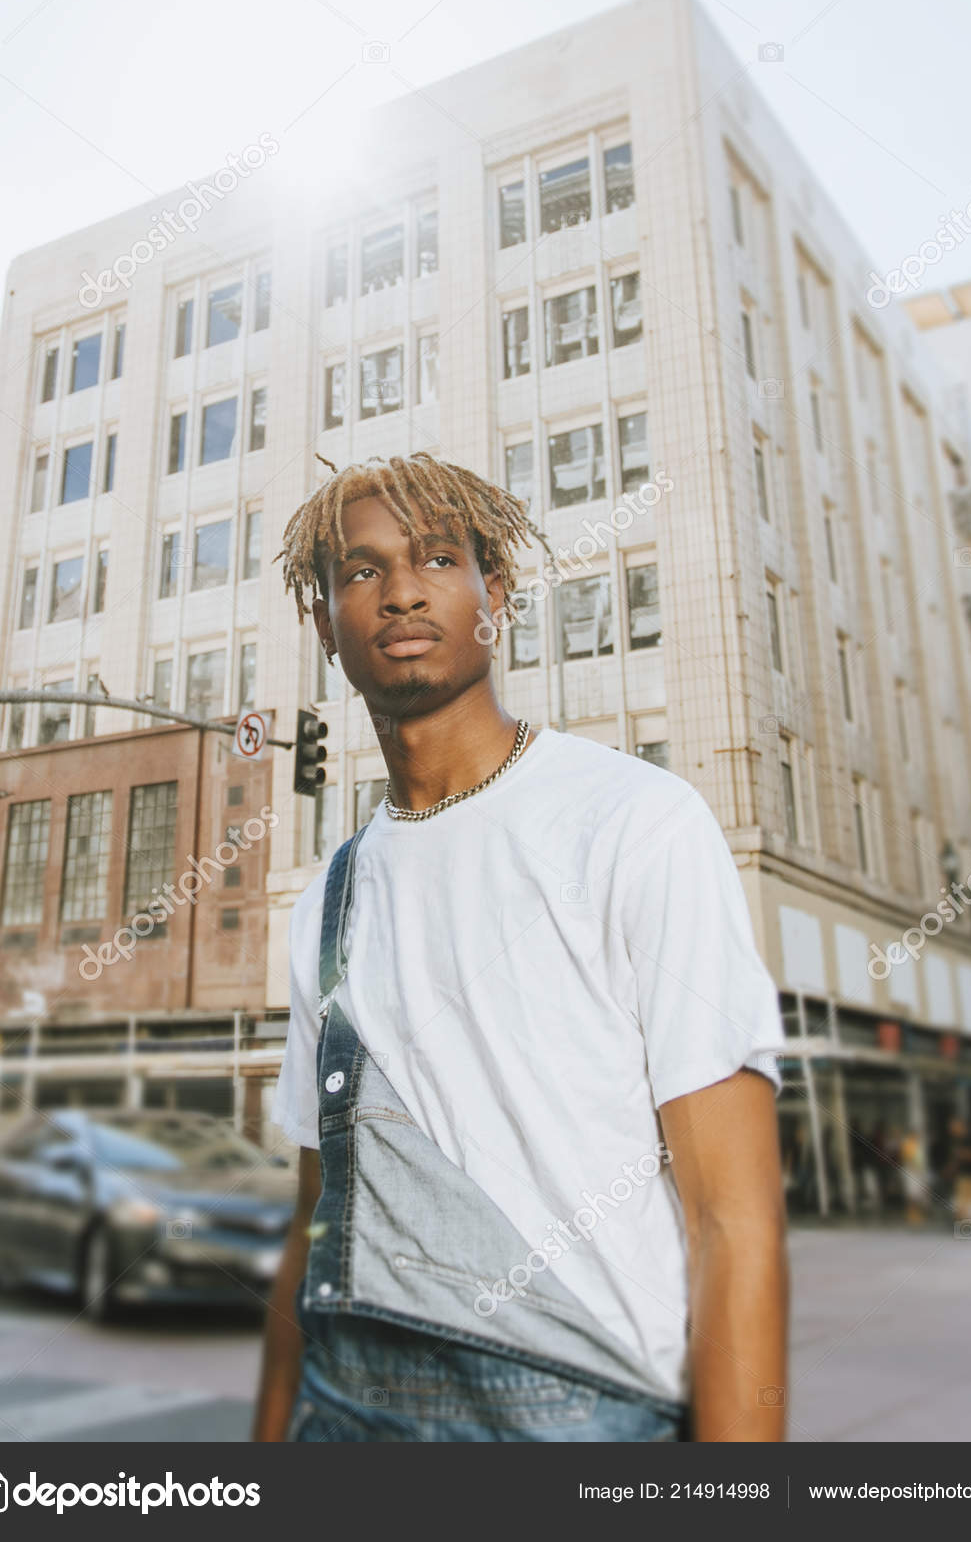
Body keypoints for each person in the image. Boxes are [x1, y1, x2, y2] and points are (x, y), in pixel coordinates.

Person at [251, 452, 788, 1444]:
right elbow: (314, 1215)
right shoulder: (328, 894)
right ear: (323, 622)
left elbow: (733, 1218)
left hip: (572, 1409)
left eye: (438, 558)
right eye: (361, 570)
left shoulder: (635, 821)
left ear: (492, 594)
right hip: (344, 1406)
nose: (402, 588)